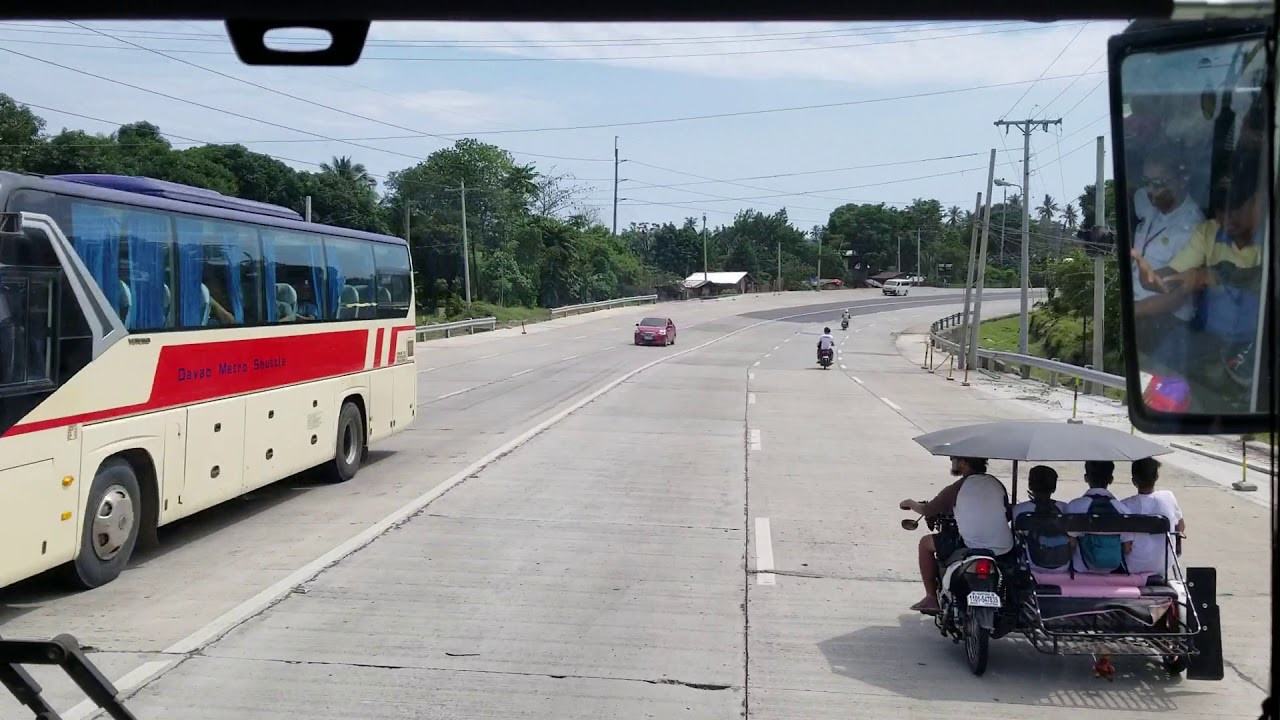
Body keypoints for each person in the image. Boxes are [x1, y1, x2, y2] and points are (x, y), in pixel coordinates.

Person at [900, 456, 1014, 614]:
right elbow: (1007, 514)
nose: (951, 462)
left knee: (925, 543)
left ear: (964, 463)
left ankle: (931, 597)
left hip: (970, 546)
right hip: (1004, 546)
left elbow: (928, 510)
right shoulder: (997, 484)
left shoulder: (957, 488)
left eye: (954, 459)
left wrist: (910, 503)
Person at [1128, 148, 1204, 369]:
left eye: (1159, 184)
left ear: (1183, 180)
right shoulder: (1148, 200)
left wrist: (1132, 311)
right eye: (1147, 182)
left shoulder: (1192, 230)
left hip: (1165, 324)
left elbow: (1174, 298)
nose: (1151, 191)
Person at [1064, 461, 1135, 574]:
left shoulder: (1075, 506)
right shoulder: (1123, 510)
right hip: (1112, 569)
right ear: (1111, 479)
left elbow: (1071, 545)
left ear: (1086, 478)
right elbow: (1127, 549)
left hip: (1081, 570)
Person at [1121, 457, 1185, 576]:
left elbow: (1127, 548)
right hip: (1164, 564)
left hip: (1134, 567)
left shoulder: (1125, 505)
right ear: (1156, 477)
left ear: (1134, 481)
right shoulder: (1168, 497)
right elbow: (1180, 526)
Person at [1011, 465, 1072, 573]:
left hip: (1032, 566)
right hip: (1063, 566)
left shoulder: (1019, 509)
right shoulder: (1065, 508)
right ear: (1054, 487)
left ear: (1030, 485)